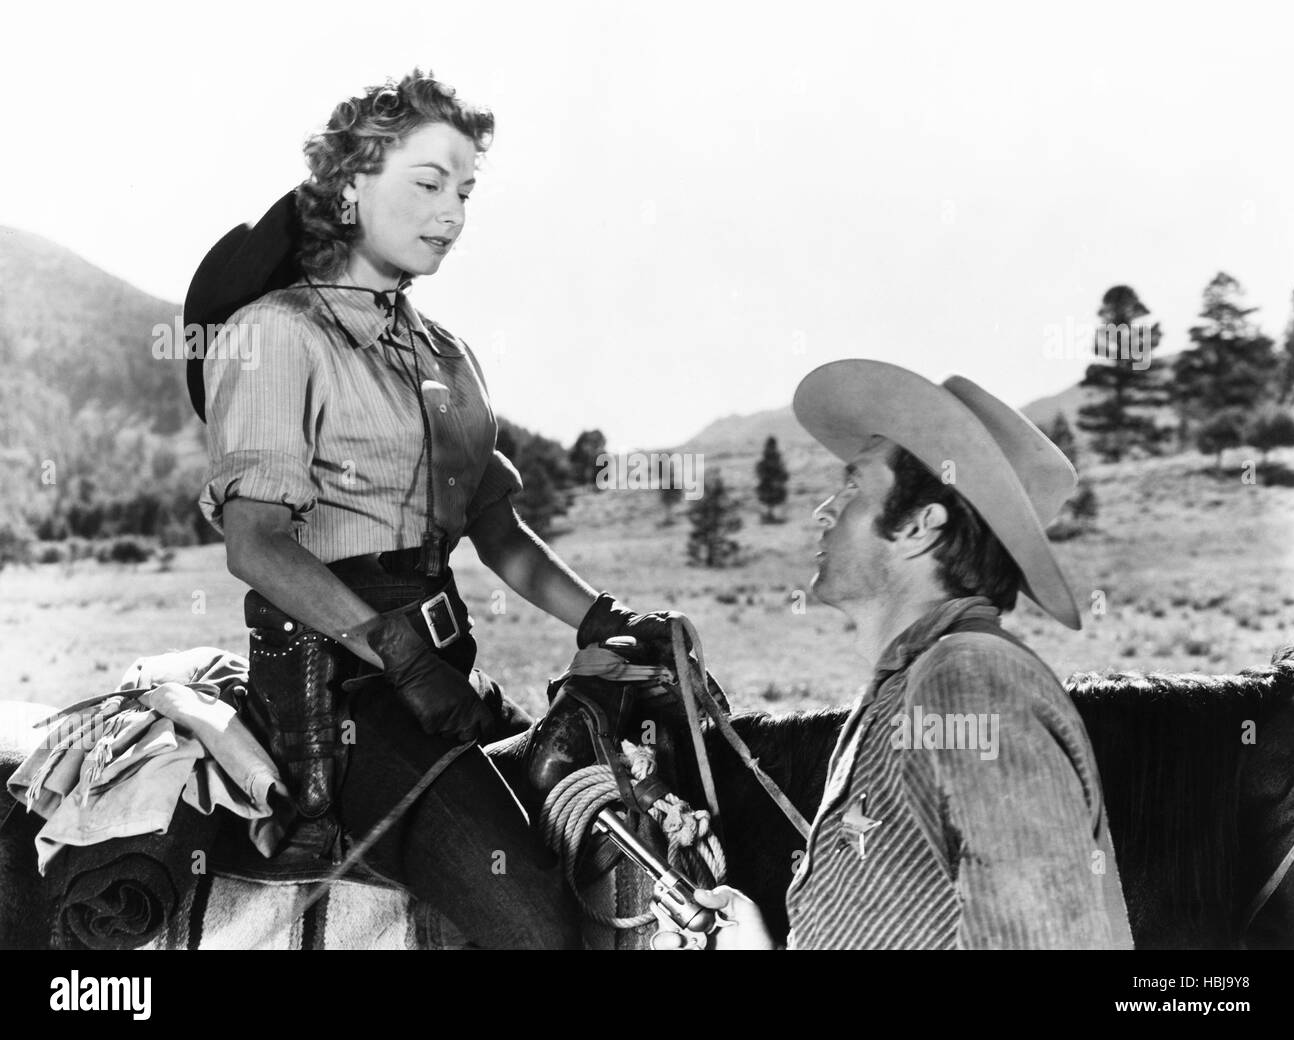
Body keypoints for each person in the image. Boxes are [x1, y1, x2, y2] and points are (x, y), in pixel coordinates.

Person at [191, 70, 676, 950]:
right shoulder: (275, 335)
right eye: (427, 184)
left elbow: (500, 532)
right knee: (541, 929)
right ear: (348, 186)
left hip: (449, 678)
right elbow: (256, 545)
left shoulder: (447, 354)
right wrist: (399, 654)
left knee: (612, 850)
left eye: (464, 191)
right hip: (336, 695)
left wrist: (606, 617)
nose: (452, 213)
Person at [659, 360, 1133, 950]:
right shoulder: (916, 685)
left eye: (855, 484)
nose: (825, 509)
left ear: (920, 527)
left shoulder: (968, 680)